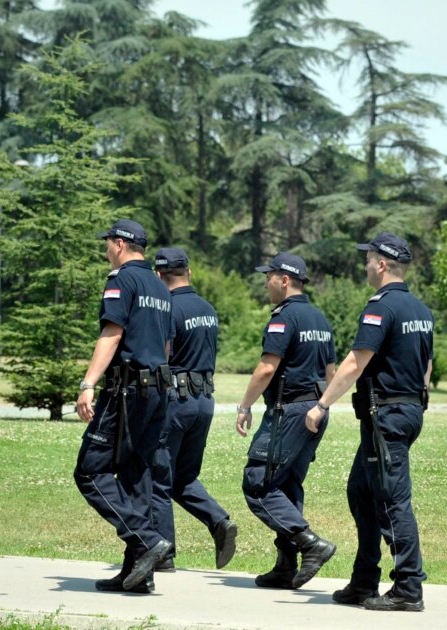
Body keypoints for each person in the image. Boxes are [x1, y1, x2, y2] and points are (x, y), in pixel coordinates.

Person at [303, 233, 433, 612]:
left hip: (387, 418)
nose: (364, 266)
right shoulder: (420, 310)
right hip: (405, 412)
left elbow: (356, 362)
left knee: (393, 501)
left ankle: (408, 587)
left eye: (367, 259)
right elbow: (426, 365)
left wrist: (322, 404)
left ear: (380, 264)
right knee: (361, 491)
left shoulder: (381, 307)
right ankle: (364, 581)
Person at [74, 219, 176, 594]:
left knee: (89, 471)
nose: (106, 249)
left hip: (126, 390)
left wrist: (88, 384)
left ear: (119, 244)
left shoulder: (121, 279)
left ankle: (147, 540)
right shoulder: (161, 289)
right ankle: (138, 575)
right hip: (158, 391)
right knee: (135, 475)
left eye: (108, 243)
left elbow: (112, 333)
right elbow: (166, 347)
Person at [235, 252, 338, 590]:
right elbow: (331, 373)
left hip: (288, 411)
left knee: (258, 483)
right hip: (314, 410)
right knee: (287, 486)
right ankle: (285, 564)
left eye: (269, 277)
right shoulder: (320, 318)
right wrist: (322, 407)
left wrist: (245, 405)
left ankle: (310, 544)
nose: (265, 283)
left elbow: (267, 368)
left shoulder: (283, 317)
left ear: (284, 279)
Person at [149, 247, 238, 572]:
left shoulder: (167, 308)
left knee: (158, 475)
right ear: (188, 271)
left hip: (175, 401)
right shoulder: (207, 307)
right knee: (183, 476)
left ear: (159, 275)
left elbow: (163, 355)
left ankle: (162, 554)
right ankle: (218, 522)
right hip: (204, 401)